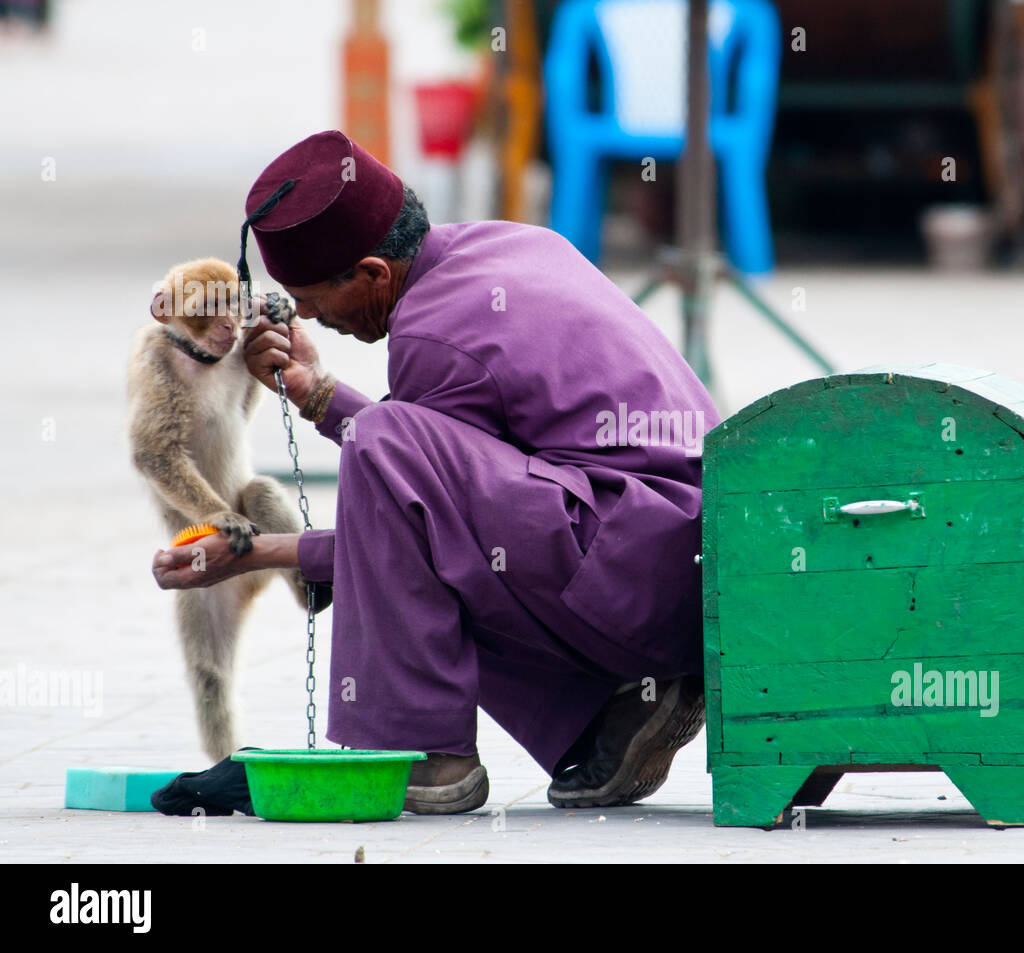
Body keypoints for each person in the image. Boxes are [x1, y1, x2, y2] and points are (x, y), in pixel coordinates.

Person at [152, 130, 720, 815]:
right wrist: (315, 396)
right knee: (391, 450)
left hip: (642, 575)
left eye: (308, 298)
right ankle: (619, 713)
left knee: (385, 445)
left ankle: (429, 753)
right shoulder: (505, 245)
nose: (305, 315)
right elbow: (438, 504)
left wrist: (255, 552)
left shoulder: (428, 334)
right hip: (687, 559)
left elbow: (406, 521)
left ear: (372, 275)